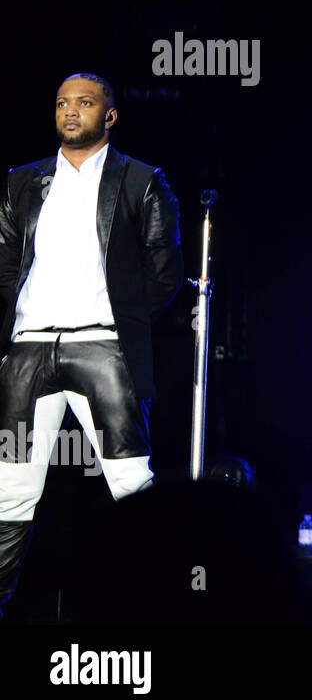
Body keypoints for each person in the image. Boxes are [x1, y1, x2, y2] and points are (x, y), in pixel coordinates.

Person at [0, 73, 182, 620]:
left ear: (110, 115)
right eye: (61, 103)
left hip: (102, 349)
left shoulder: (141, 181)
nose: (70, 112)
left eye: (84, 102)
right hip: (28, 352)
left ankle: (161, 604)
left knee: (131, 482)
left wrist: (119, 324)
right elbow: (6, 265)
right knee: (8, 487)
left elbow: (164, 271)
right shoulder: (21, 183)